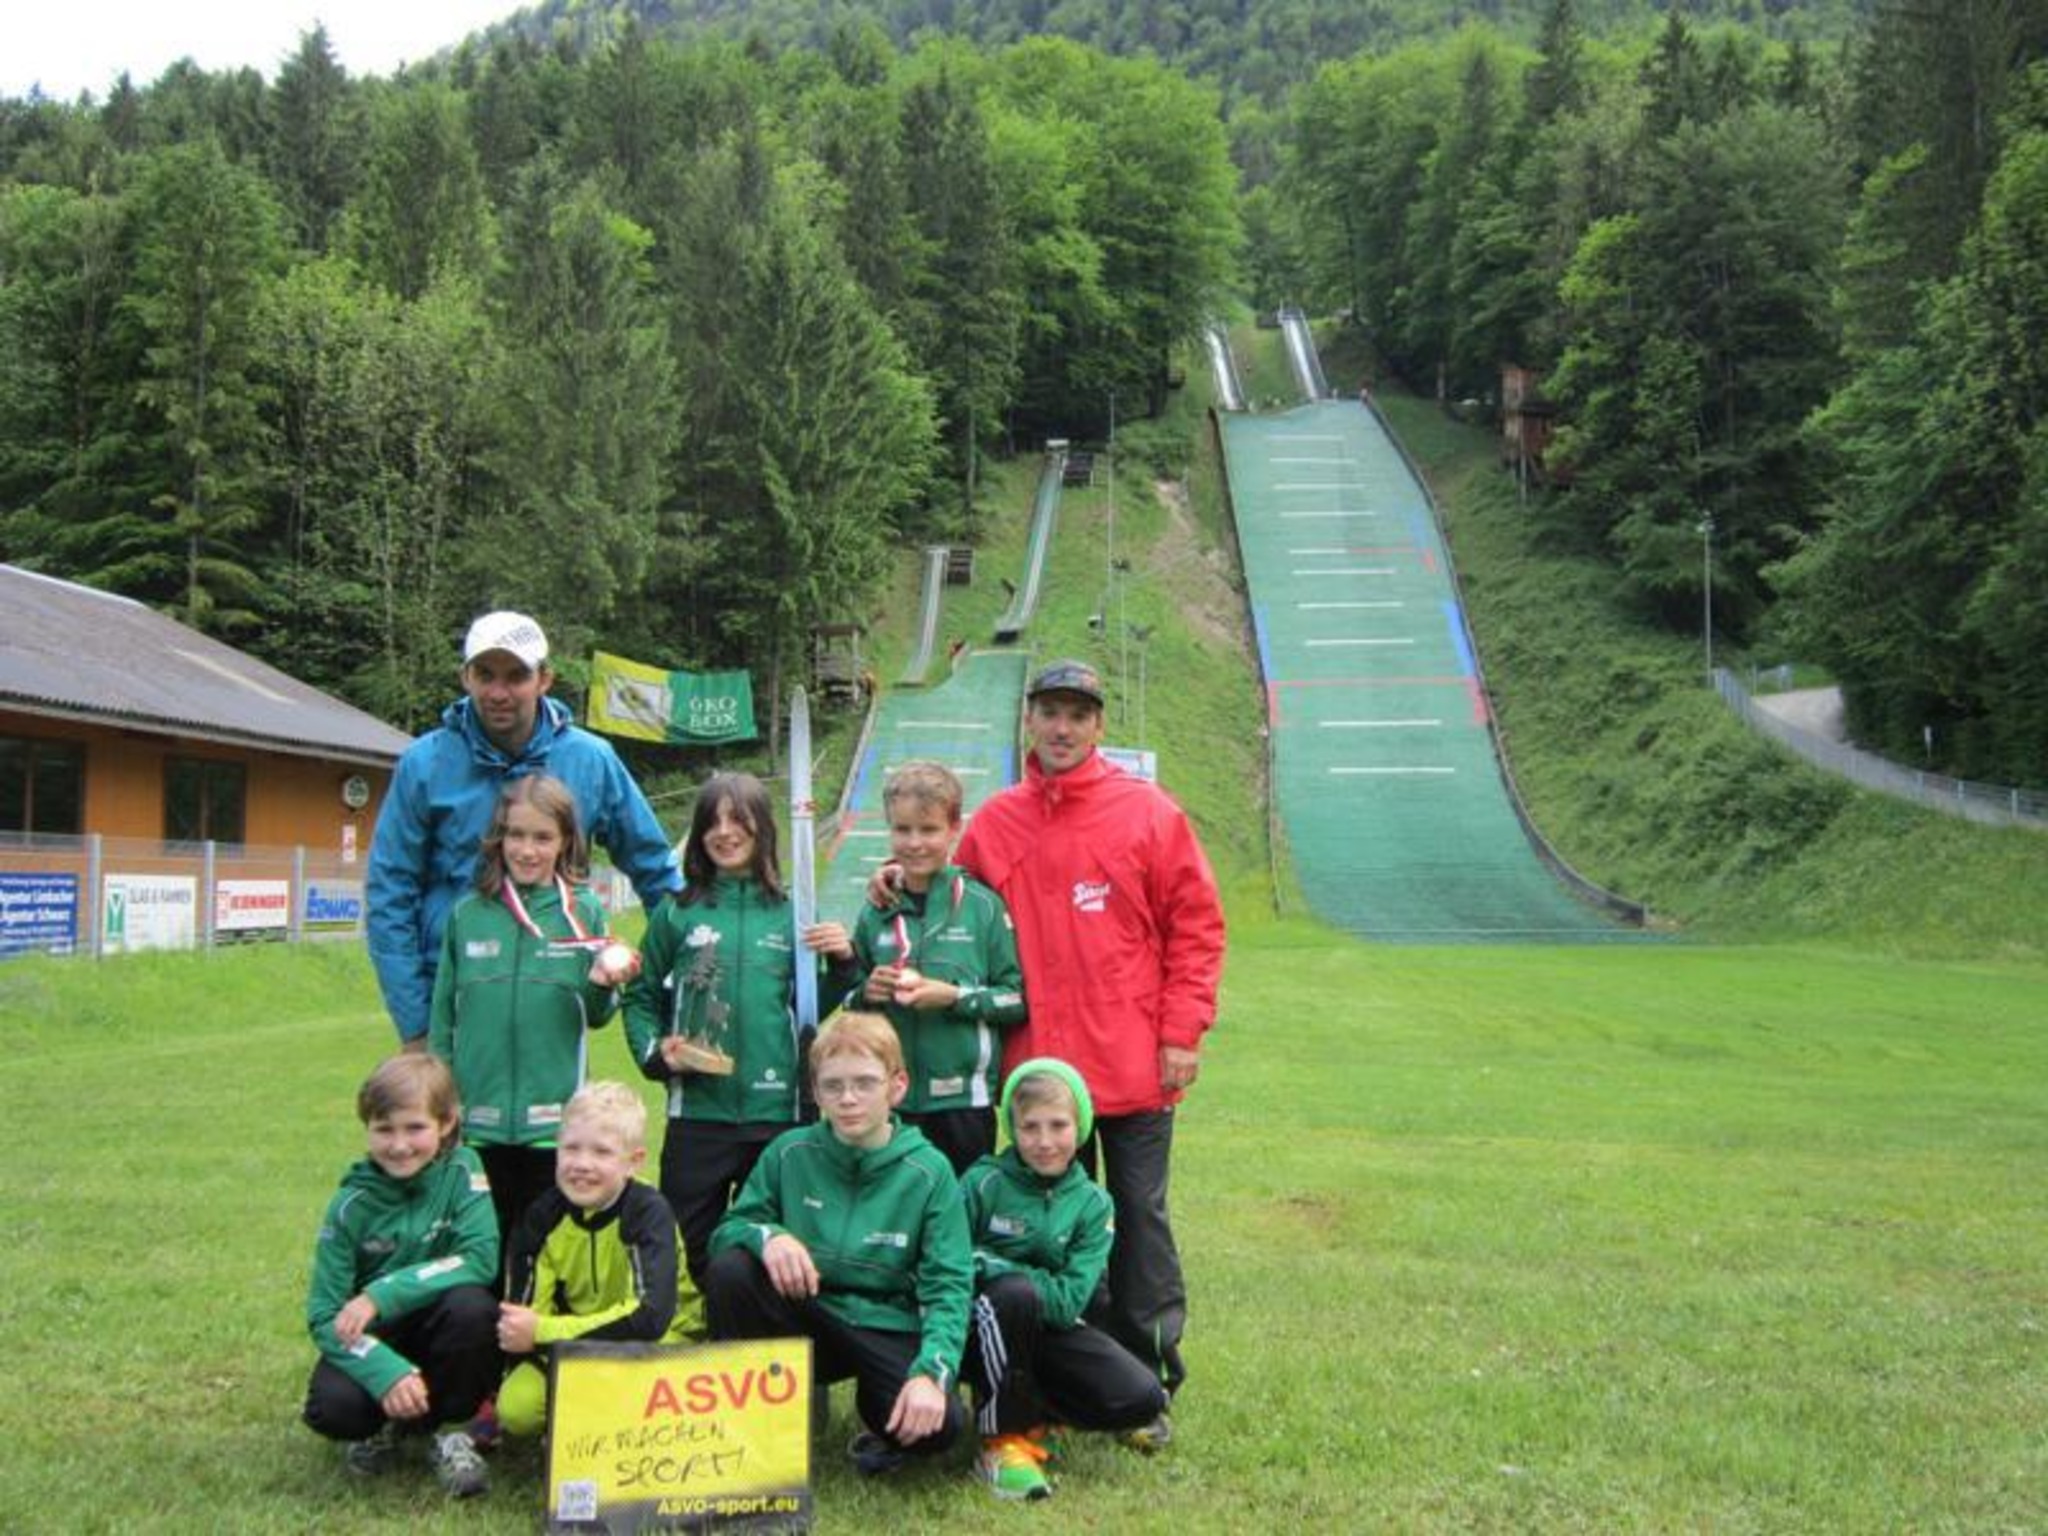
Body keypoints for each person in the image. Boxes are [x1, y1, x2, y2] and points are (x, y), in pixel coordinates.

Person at [869, 657, 1224, 1445]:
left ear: (1099, 726)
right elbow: (942, 892)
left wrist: (1181, 1032)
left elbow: (1197, 927)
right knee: (1042, 1236)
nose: (1062, 728)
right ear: (1030, 720)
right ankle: (1070, 1386)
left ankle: (1145, 1388)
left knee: (1138, 1225)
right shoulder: (998, 822)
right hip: (1036, 1081)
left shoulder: (1150, 814)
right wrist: (892, 879)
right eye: (1049, 712)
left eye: (1078, 714)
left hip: (1132, 1065)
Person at [368, 610, 682, 1049]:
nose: (499, 692)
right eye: (485, 674)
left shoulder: (592, 761)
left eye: (516, 676)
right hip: (454, 1004)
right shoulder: (424, 764)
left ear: (544, 679)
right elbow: (389, 892)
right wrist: (416, 1024)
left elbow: (658, 874)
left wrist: (676, 983)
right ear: (466, 677)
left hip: (554, 1001)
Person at [701, 1011, 971, 1477]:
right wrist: (770, 1237)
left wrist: (931, 1373)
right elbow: (731, 1227)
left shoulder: (931, 1171)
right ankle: (752, 1422)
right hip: (808, 1313)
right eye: (833, 1086)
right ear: (815, 1091)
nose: (848, 1099)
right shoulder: (789, 1152)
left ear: (897, 1085)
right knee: (730, 1269)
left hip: (884, 1322)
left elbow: (949, 1284)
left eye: (865, 1083)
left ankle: (878, 1411)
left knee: (940, 1427)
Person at [622, 773, 858, 1284]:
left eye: (738, 819)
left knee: (767, 1250)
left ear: (763, 829)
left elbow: (807, 1009)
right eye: (713, 821)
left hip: (777, 1114)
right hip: (698, 1114)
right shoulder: (677, 912)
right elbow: (639, 997)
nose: (724, 832)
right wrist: (656, 1055)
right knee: (686, 1252)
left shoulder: (793, 912)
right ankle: (689, 1352)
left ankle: (757, 1349)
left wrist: (843, 964)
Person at [428, 775, 641, 1259]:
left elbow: (598, 1015)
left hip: (556, 1133)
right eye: (516, 835)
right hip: (476, 1127)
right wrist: (440, 1106)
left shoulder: (583, 910)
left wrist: (605, 982)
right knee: (480, 1259)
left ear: (565, 841)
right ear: (498, 839)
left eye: (542, 837)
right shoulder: (467, 915)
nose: (527, 850)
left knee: (545, 1262)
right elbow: (443, 1019)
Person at [961, 1058, 1170, 1500]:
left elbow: (1068, 1301)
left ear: (1082, 1125)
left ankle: (1040, 1412)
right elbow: (951, 1262)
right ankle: (1001, 1440)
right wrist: (1009, 1280)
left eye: (1058, 1126)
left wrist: (995, 1264)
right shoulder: (982, 1183)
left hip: (1052, 1327)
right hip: (974, 1332)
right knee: (1013, 1296)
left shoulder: (1094, 1204)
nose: (1044, 1142)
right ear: (1011, 1128)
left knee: (1144, 1397)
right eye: (1030, 1127)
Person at [302, 1054, 500, 1499]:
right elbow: (323, 1314)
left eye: (415, 1128)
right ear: (366, 1128)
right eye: (384, 1129)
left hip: (438, 1327)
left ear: (446, 1123)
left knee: (474, 1308)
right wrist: (384, 1371)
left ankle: (451, 1431)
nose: (399, 1145)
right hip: (376, 1337)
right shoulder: (350, 1206)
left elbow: (480, 1259)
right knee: (332, 1408)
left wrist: (381, 1293)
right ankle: (380, 1427)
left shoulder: (464, 1171)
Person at [495, 1082, 705, 1438]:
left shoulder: (648, 1213)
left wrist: (543, 1333)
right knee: (516, 1410)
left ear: (633, 1162)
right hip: (571, 1344)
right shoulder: (541, 1217)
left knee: (629, 1396)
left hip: (660, 1344)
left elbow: (648, 1320)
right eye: (571, 1149)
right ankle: (583, 1424)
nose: (582, 1165)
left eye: (602, 1152)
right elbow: (525, 1319)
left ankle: (593, 1424)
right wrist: (536, 1336)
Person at [845, 759, 1026, 1174]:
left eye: (928, 830)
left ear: (953, 830)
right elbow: (850, 999)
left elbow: (1016, 999)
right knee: (896, 1219)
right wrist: (866, 993)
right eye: (902, 829)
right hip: (891, 1098)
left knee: (959, 1216)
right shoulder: (876, 909)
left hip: (963, 1101)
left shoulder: (982, 907)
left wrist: (954, 997)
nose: (914, 843)